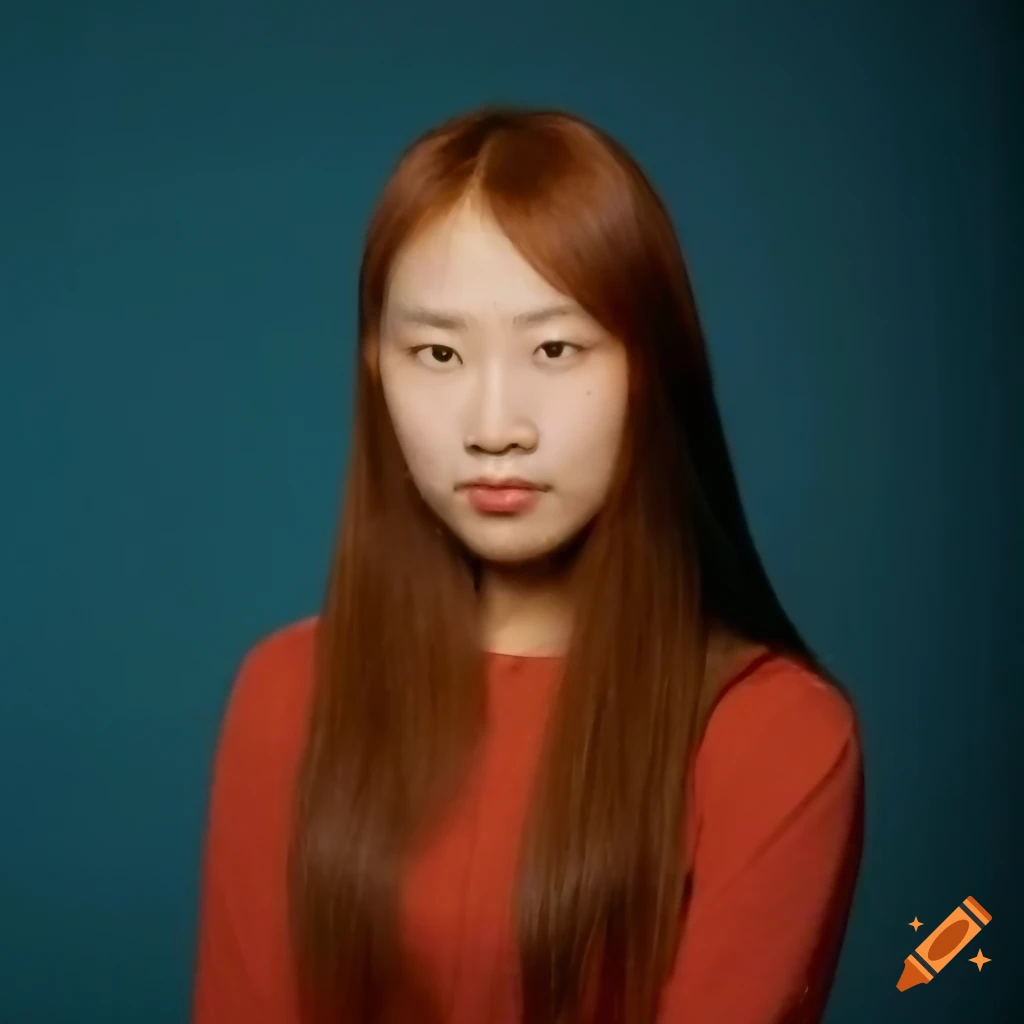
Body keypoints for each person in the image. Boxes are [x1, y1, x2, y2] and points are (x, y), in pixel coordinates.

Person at [191, 106, 864, 1024]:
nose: (495, 424)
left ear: (649, 369)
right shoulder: (284, 693)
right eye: (438, 352)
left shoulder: (775, 737)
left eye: (554, 348)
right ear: (376, 371)